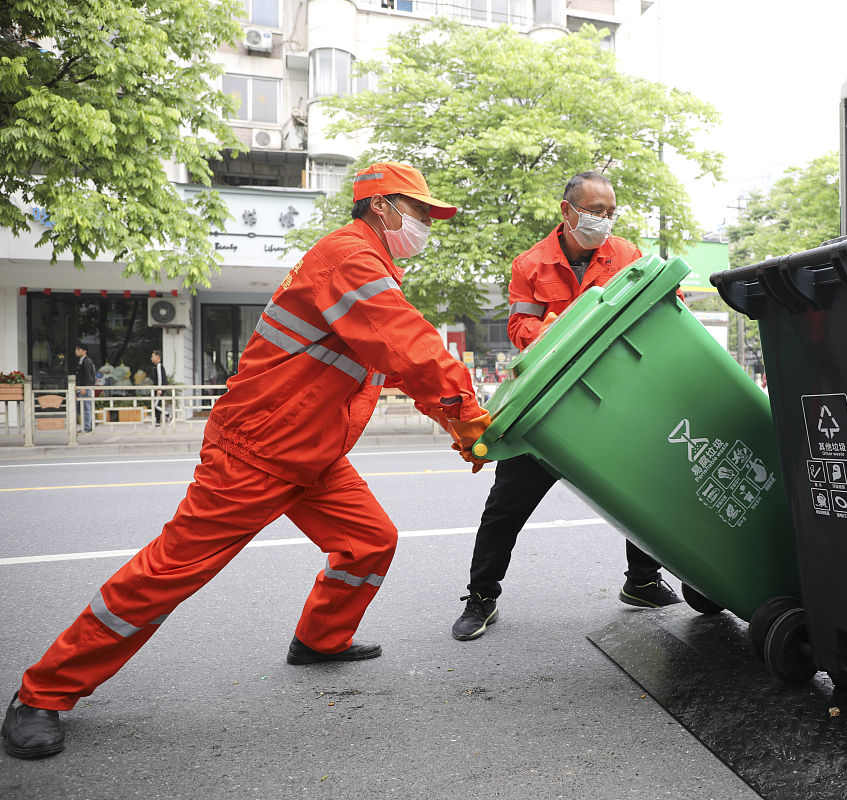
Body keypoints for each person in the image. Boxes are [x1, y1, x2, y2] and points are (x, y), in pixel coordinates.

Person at [2, 162, 491, 760]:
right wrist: (466, 413)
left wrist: (457, 420)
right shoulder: (351, 261)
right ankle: (43, 692)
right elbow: (410, 347)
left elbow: (392, 361)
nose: (424, 226)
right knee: (170, 572)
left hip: (308, 447)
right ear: (381, 207)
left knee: (370, 540)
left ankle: (321, 639)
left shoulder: (365, 266)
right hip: (257, 451)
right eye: (418, 212)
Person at [451, 171, 680, 642]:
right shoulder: (531, 265)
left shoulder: (628, 256)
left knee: (644, 492)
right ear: (567, 210)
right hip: (549, 406)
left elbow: (665, 305)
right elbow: (520, 329)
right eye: (594, 211)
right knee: (507, 503)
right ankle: (481, 597)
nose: (603, 220)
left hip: (611, 398)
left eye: (610, 212)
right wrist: (565, 331)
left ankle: (642, 581)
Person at [73, 344, 95, 433]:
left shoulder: (87, 361)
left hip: (84, 388)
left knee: (86, 407)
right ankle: (88, 425)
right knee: (80, 407)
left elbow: (88, 376)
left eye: (79, 349)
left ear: (84, 351)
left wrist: (84, 387)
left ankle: (88, 426)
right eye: (76, 349)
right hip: (81, 387)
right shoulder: (81, 361)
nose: (77, 351)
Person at [149, 349, 168, 425]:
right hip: (158, 388)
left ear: (157, 357)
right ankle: (157, 422)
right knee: (157, 404)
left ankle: (168, 415)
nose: (151, 358)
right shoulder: (156, 366)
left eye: (152, 356)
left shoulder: (159, 365)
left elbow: (160, 377)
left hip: (160, 388)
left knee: (155, 405)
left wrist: (159, 388)